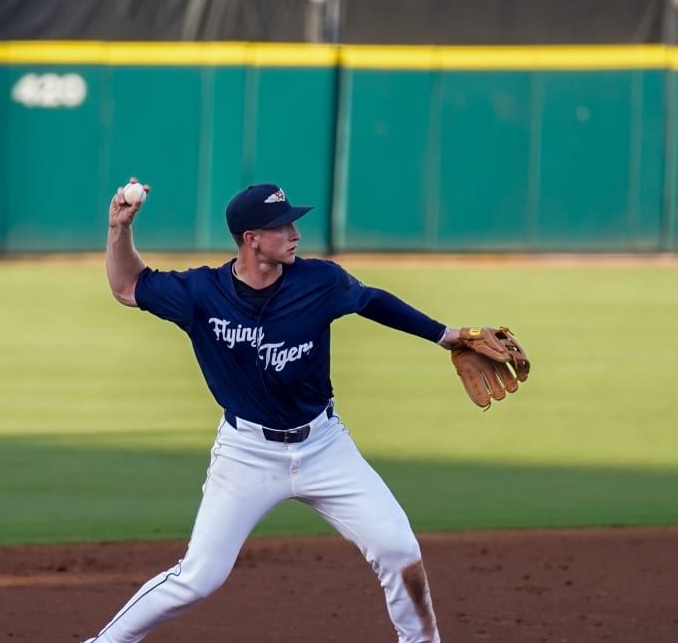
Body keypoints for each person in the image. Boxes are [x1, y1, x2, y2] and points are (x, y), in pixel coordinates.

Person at [85, 178, 478, 643]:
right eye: (282, 226)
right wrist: (119, 229)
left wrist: (446, 335)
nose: (295, 234)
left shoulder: (321, 281)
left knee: (398, 549)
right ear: (251, 239)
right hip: (246, 454)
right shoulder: (200, 293)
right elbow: (127, 285)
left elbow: (372, 301)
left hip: (325, 447)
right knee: (199, 577)